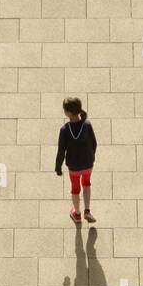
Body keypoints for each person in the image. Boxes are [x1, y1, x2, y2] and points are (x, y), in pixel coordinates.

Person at [55, 96, 98, 224]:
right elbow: (94, 143)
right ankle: (87, 210)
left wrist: (58, 168)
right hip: (88, 164)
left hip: (74, 166)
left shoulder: (64, 130)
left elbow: (61, 151)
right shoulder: (87, 125)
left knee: (75, 189)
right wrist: (91, 157)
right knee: (86, 183)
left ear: (68, 113)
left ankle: (77, 214)